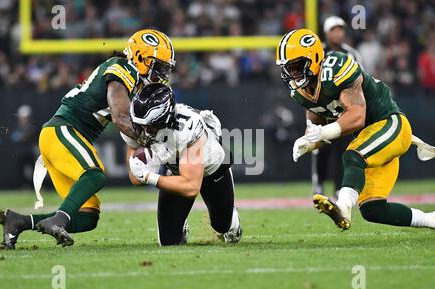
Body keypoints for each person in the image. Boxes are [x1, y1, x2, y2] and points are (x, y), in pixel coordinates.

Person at [0, 29, 176, 249]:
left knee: (88, 216)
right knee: (94, 175)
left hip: (62, 136)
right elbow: (120, 117)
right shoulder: (123, 67)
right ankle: (58, 221)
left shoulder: (134, 80)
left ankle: (19, 222)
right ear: (139, 57)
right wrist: (154, 142)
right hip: (62, 130)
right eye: (158, 66)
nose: (161, 74)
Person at [276, 28, 435, 230]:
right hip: (372, 141)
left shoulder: (335, 67)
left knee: (352, 156)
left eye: (297, 66)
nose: (294, 74)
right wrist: (307, 142)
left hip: (389, 125)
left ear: (315, 58)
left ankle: (342, 206)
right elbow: (315, 128)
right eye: (288, 68)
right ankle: (431, 220)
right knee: (372, 209)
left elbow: (357, 116)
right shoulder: (301, 92)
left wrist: (323, 133)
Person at [122, 83, 242, 245]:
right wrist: (139, 170)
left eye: (150, 126)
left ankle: (231, 218)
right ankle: (180, 222)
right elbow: (135, 178)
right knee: (168, 241)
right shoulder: (136, 125)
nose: (144, 131)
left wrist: (148, 176)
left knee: (222, 225)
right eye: (140, 125)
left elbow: (191, 186)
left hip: (212, 168)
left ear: (166, 120)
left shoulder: (186, 129)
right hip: (177, 170)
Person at [311, 16, 362, 196]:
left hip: (344, 109)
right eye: (334, 30)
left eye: (340, 29)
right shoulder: (317, 52)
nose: (338, 33)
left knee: (344, 151)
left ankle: (339, 189)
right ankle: (319, 186)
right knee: (320, 148)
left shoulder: (352, 54)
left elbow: (359, 81)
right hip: (323, 108)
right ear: (326, 32)